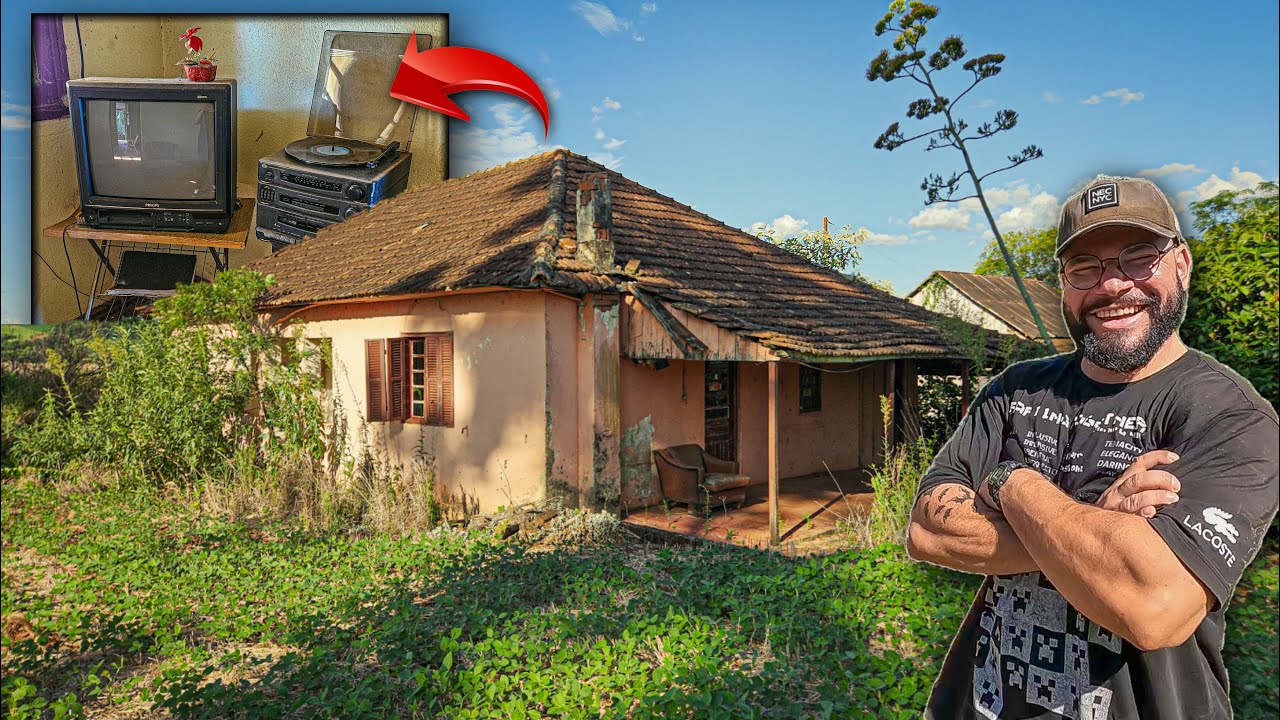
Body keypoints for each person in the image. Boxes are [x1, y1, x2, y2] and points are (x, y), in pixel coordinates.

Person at [907, 175, 1279, 719]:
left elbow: (1154, 608)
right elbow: (926, 531)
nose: (1110, 286)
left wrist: (1011, 484)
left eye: (1138, 257)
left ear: (1181, 262)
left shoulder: (1228, 416)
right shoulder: (1015, 389)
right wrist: (1097, 528)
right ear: (1064, 283)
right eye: (1085, 267)